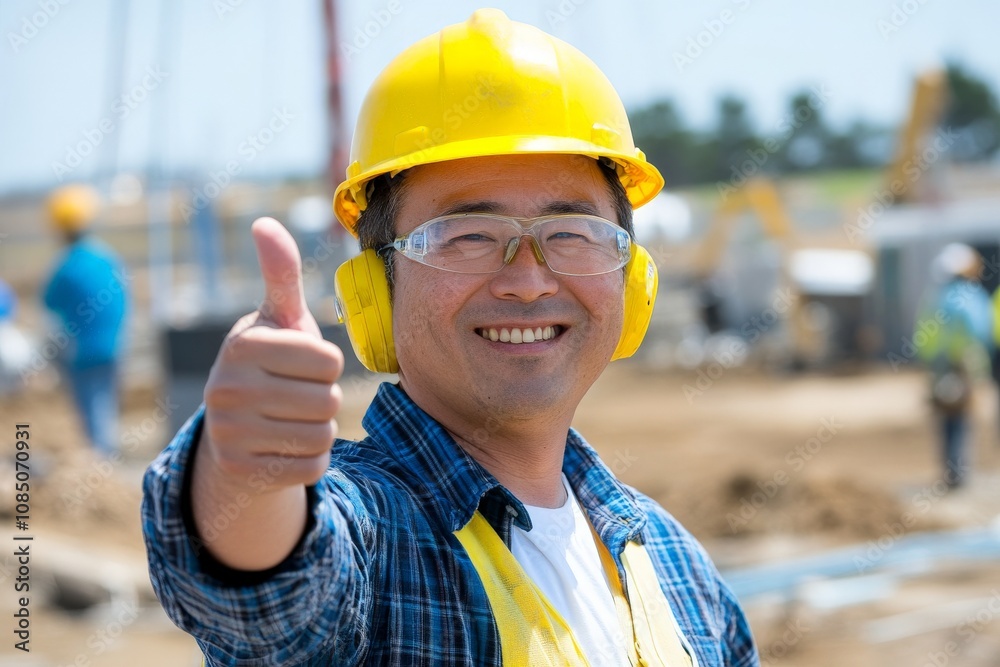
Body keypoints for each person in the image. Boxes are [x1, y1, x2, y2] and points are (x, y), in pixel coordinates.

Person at [142, 10, 758, 666]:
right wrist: (243, 472)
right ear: (374, 290)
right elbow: (271, 602)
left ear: (632, 278)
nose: (527, 280)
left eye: (572, 233)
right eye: (466, 235)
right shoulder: (380, 542)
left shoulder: (678, 569)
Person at [42, 184, 129, 455]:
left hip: (82, 352)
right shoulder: (108, 257)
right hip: (115, 344)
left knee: (92, 410)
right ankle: (107, 458)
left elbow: (48, 303)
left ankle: (101, 465)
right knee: (105, 405)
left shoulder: (66, 265)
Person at [917, 243, 993, 489]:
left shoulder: (935, 297)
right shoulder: (971, 296)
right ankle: (959, 474)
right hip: (961, 365)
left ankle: (950, 471)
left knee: (945, 419)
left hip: (938, 367)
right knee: (961, 417)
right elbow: (981, 331)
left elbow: (923, 336)